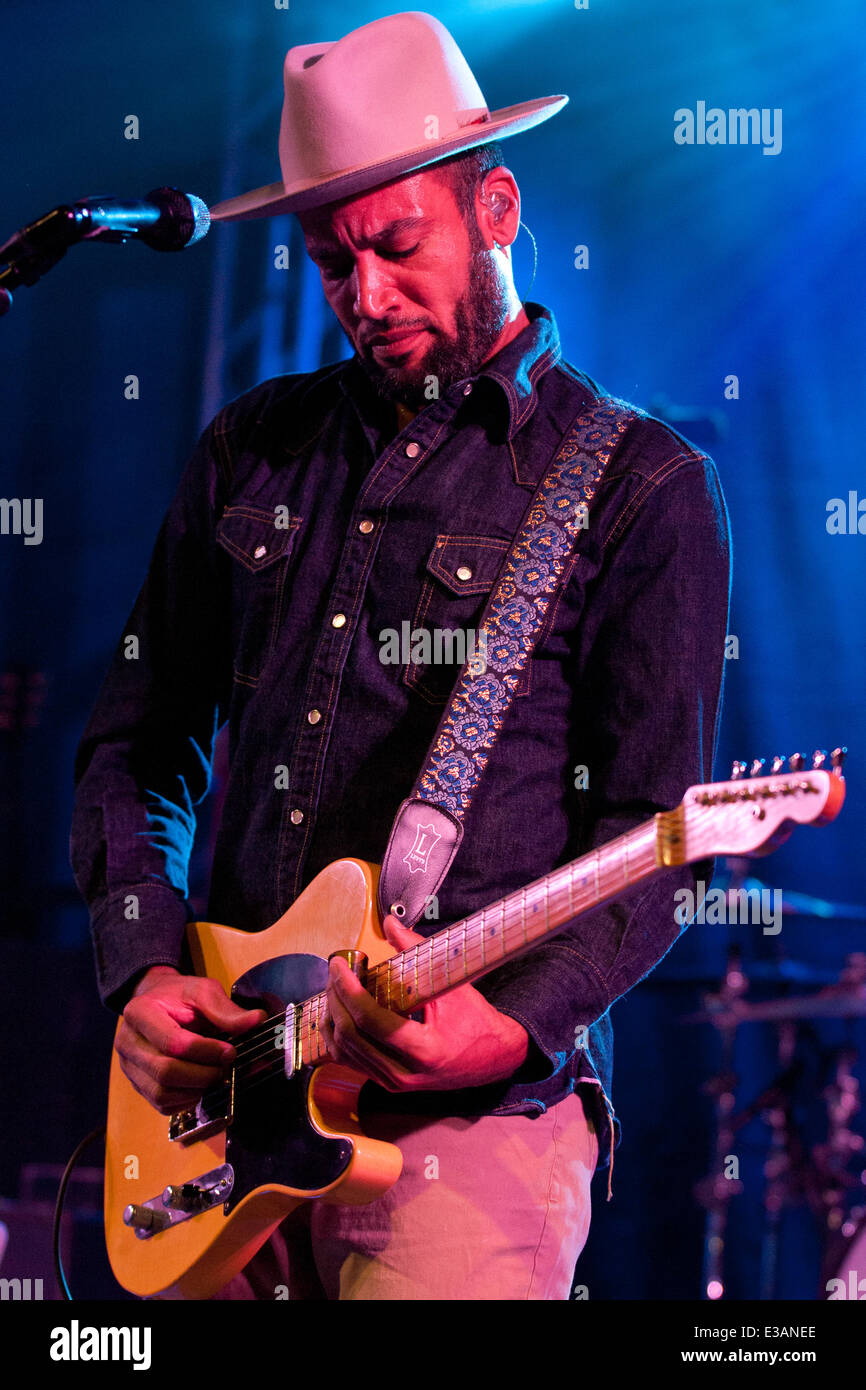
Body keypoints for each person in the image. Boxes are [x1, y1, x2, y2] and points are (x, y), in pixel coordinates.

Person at [70, 12, 731, 1300]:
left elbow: (659, 838)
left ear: (496, 205)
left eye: (394, 245)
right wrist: (144, 960)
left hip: (467, 1136)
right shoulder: (248, 449)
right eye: (330, 263)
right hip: (225, 1106)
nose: (364, 299)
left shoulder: (641, 488)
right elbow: (136, 744)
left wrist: (514, 1022)